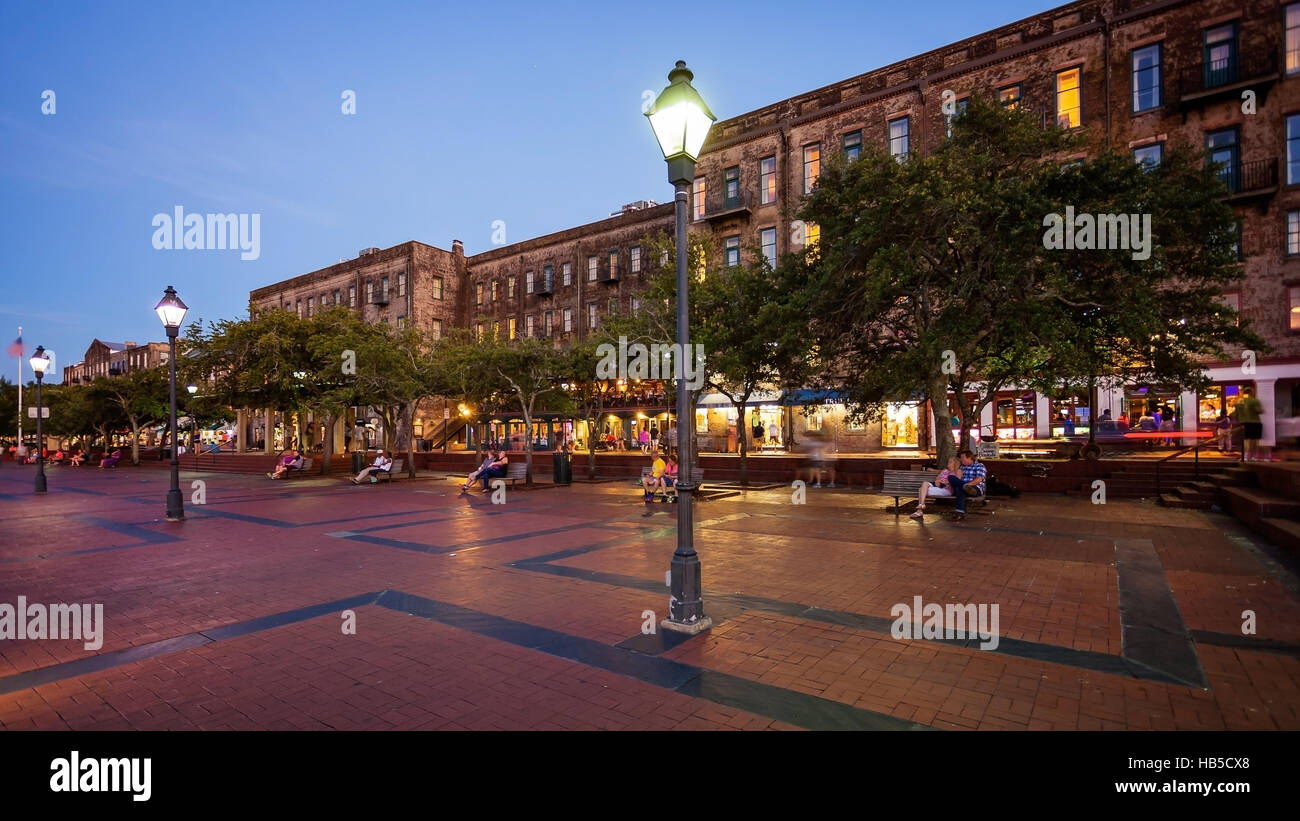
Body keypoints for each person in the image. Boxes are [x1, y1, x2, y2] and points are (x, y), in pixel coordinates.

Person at [951, 449, 987, 518]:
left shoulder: (979, 466)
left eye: (962, 458)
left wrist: (968, 485)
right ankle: (965, 487)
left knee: (960, 488)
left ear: (970, 458)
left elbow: (979, 479)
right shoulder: (962, 467)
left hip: (975, 488)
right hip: (963, 486)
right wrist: (958, 472)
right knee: (951, 478)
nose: (961, 460)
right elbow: (957, 479)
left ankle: (959, 513)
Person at [1235, 388, 1266, 461]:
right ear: (1251, 392)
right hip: (1255, 422)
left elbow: (1236, 414)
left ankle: (1246, 456)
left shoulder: (1239, 402)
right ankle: (1254, 456)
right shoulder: (1254, 401)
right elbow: (1260, 410)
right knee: (1255, 440)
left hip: (1244, 422)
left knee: (1246, 440)